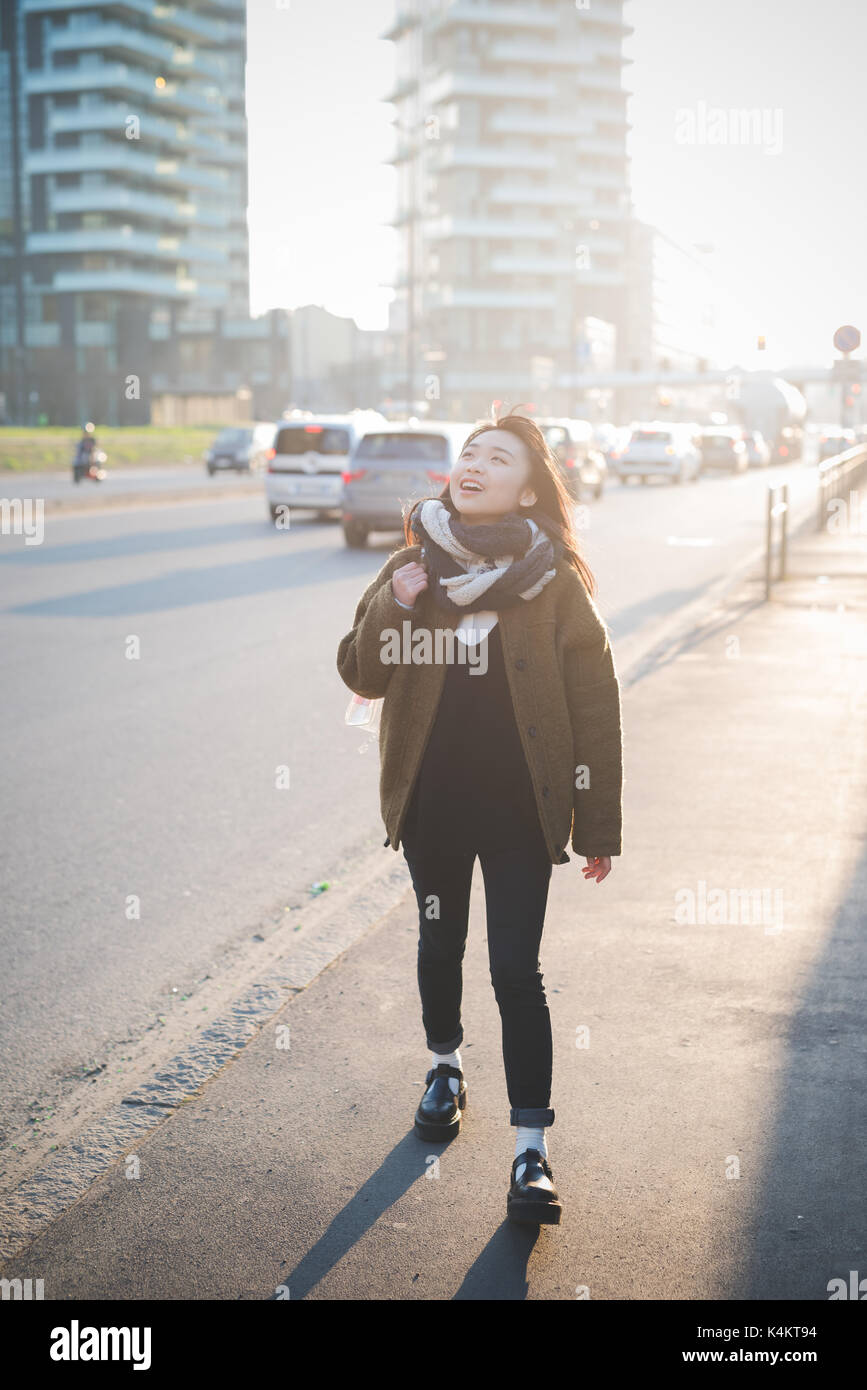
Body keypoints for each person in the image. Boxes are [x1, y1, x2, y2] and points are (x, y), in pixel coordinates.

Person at [336, 407, 623, 1226]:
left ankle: (530, 1151)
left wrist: (598, 824)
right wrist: (395, 607)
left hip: (521, 811)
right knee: (440, 944)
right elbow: (361, 672)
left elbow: (594, 703)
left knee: (514, 972)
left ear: (527, 490)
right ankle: (444, 1068)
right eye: (469, 452)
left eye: (496, 458)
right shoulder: (410, 564)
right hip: (432, 803)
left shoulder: (553, 581)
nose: (474, 464)